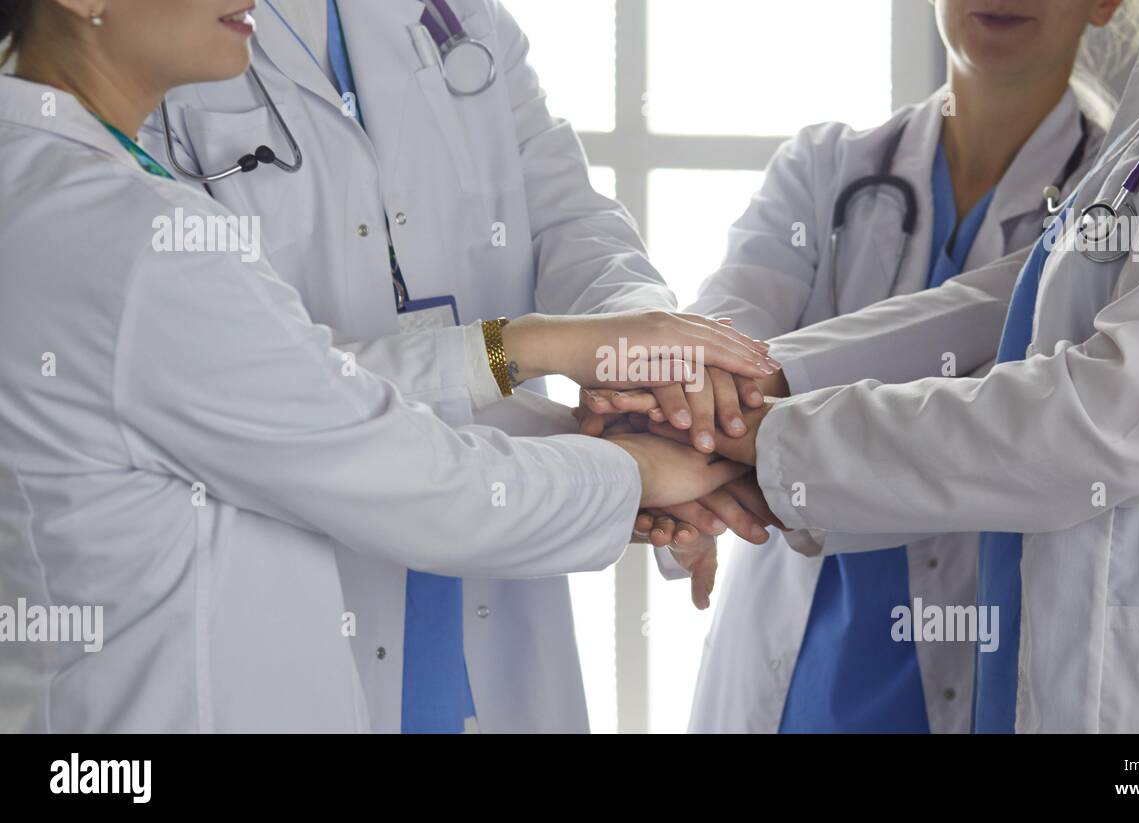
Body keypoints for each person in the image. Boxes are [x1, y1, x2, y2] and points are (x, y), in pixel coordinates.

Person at [0, 0, 767, 732]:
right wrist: (641, 461)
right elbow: (382, 454)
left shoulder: (60, 184)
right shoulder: (140, 237)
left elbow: (570, 217)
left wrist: (664, 374)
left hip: (453, 577)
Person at [654, 0, 1139, 733]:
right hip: (816, 655)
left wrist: (756, 438)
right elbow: (1004, 298)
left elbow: (1123, 412)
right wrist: (729, 406)